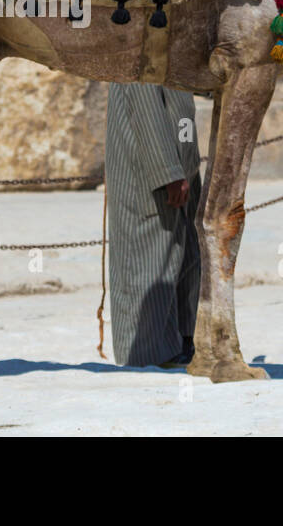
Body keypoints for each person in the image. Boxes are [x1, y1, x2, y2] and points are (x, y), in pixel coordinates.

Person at [104, 82, 202, 368]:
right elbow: (146, 109)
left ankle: (181, 340)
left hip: (181, 170)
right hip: (151, 175)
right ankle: (148, 354)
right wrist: (168, 173)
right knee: (147, 261)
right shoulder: (141, 44)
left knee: (181, 259)